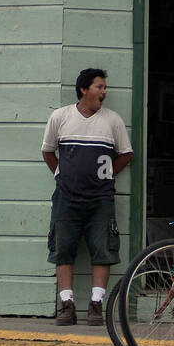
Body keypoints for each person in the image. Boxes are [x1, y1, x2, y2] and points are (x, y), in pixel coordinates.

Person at [42, 68, 133, 326]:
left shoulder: (112, 120)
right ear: (84, 89)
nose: (104, 92)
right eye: (99, 87)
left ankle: (96, 304)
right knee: (63, 250)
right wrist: (61, 175)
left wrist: (107, 174)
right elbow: (48, 151)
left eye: (104, 87)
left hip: (101, 199)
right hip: (66, 198)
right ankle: (67, 305)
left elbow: (126, 154)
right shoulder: (60, 118)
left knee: (103, 249)